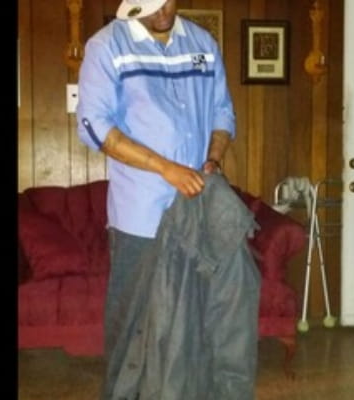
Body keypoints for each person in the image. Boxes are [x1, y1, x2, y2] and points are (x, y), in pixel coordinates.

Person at [76, 0, 258, 398]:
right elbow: (95, 126)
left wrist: (213, 159)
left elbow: (222, 113)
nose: (161, 13)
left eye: (167, 2)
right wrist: (165, 168)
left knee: (196, 323)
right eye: (150, 6)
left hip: (198, 211)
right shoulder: (107, 46)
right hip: (140, 217)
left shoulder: (202, 44)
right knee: (134, 330)